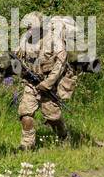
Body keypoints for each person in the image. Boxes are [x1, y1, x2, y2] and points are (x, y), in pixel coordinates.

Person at [15, 11, 73, 149]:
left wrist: (48, 83)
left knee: (52, 117)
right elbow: (17, 56)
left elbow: (61, 63)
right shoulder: (25, 39)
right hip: (31, 82)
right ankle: (27, 145)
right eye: (28, 28)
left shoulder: (53, 40)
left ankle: (63, 135)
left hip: (49, 83)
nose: (30, 31)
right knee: (25, 113)